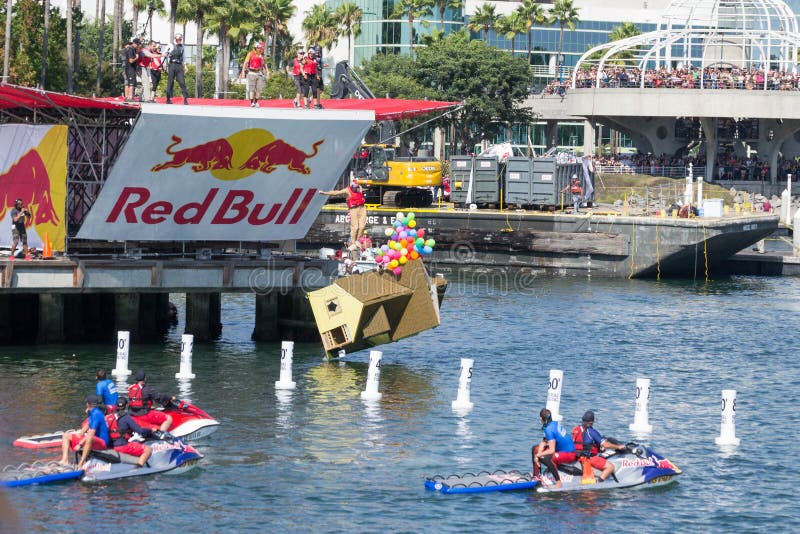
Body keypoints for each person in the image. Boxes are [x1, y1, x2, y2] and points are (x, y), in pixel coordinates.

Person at [572, 410, 626, 482]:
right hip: (588, 458)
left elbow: (580, 442)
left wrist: (598, 447)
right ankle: (598, 483)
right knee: (610, 467)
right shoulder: (592, 432)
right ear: (592, 422)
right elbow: (605, 444)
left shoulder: (576, 429)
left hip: (577, 456)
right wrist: (618, 447)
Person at [58, 395, 110, 469]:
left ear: (88, 404)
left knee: (89, 437)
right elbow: (88, 424)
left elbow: (91, 434)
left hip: (102, 443)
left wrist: (80, 444)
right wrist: (79, 435)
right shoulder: (93, 412)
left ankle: (80, 464)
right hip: (94, 440)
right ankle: (64, 460)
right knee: (66, 435)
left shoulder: (96, 414)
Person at [532, 408, 576, 489]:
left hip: (569, 453)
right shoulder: (553, 423)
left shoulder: (549, 429)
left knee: (546, 458)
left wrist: (538, 455)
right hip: (561, 450)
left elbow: (552, 450)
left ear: (541, 419)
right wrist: (537, 454)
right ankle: (536, 476)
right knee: (535, 449)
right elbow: (544, 442)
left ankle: (558, 483)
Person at [106, 397, 155, 468]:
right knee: (148, 450)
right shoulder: (126, 417)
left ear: (115, 405)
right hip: (122, 446)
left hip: (111, 447)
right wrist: (151, 430)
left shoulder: (107, 417)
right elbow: (140, 431)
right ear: (126, 406)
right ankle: (138, 469)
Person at [319, 178, 367, 251]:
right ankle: (353, 243)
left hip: (362, 208)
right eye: (354, 186)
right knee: (355, 227)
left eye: (356, 186)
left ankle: (358, 241)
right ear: (351, 186)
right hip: (353, 209)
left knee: (362, 227)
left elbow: (361, 192)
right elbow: (336, 193)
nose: (356, 188)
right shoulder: (347, 190)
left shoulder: (359, 188)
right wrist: (324, 193)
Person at [241, 42, 269, 108]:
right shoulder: (250, 54)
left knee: (259, 89)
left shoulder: (262, 55)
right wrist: (243, 72)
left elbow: (265, 64)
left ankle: (256, 102)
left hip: (259, 73)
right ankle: (252, 103)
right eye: (258, 48)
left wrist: (267, 72)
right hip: (251, 73)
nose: (259, 49)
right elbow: (245, 63)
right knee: (252, 88)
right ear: (255, 48)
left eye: (260, 48)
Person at [166, 33, 189, 105]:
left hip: (179, 65)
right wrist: (164, 64)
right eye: (178, 39)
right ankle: (168, 99)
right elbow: (164, 54)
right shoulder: (170, 45)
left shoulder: (182, 47)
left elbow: (183, 57)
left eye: (180, 39)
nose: (179, 41)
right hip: (172, 65)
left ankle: (185, 99)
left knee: (182, 82)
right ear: (175, 39)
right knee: (170, 82)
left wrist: (185, 66)